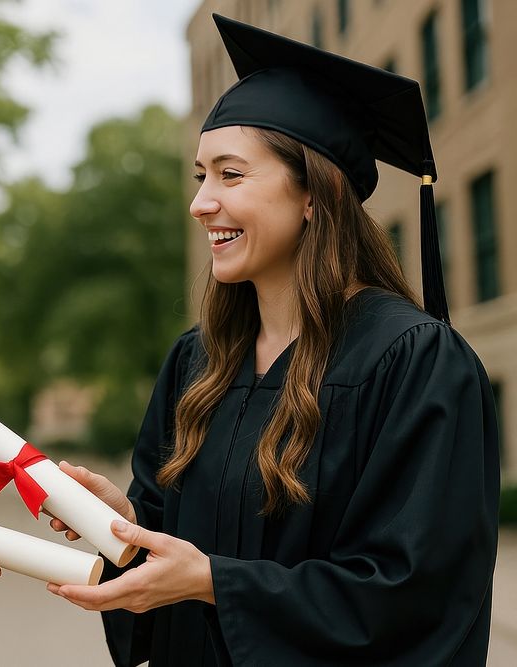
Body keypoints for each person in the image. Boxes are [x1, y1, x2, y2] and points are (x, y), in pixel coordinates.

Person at [46, 14, 499, 666]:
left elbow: (416, 594)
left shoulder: (413, 362)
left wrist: (212, 580)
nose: (201, 202)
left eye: (231, 175)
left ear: (313, 193)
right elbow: (161, 565)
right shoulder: (196, 362)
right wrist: (120, 525)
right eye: (201, 176)